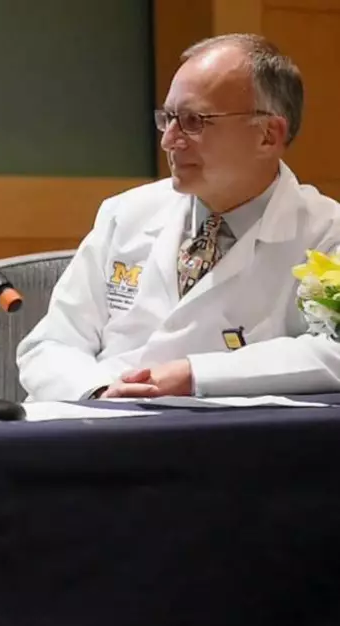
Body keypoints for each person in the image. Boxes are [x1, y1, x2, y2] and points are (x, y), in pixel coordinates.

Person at [17, 33, 340, 401]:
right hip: (96, 429)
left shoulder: (326, 232)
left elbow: (334, 352)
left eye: (193, 121)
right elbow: (50, 344)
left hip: (231, 443)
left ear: (267, 134)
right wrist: (99, 389)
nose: (169, 140)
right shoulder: (125, 213)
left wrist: (193, 374)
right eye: (168, 118)